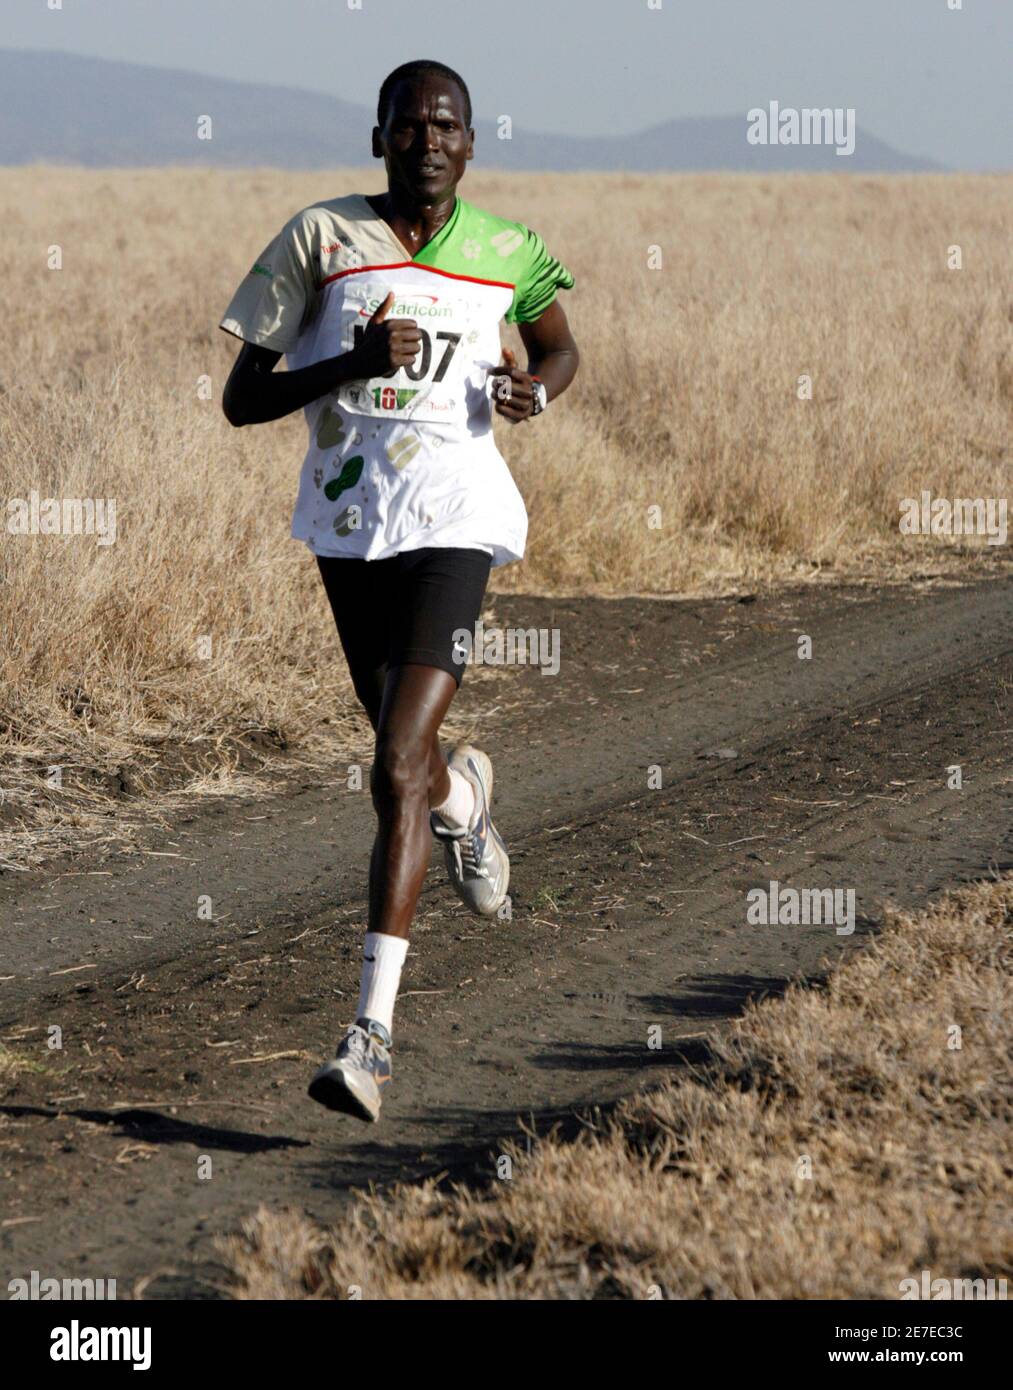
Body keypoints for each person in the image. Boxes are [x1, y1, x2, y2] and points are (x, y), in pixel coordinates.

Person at [219, 59, 579, 1122]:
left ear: (471, 143)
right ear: (377, 136)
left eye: (447, 124)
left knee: (386, 768)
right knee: (413, 766)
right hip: (349, 525)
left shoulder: (508, 250)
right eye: (409, 123)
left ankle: (368, 1032)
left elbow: (558, 348)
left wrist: (532, 392)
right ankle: (464, 800)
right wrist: (352, 360)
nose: (428, 139)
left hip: (457, 521)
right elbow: (243, 399)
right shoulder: (319, 241)